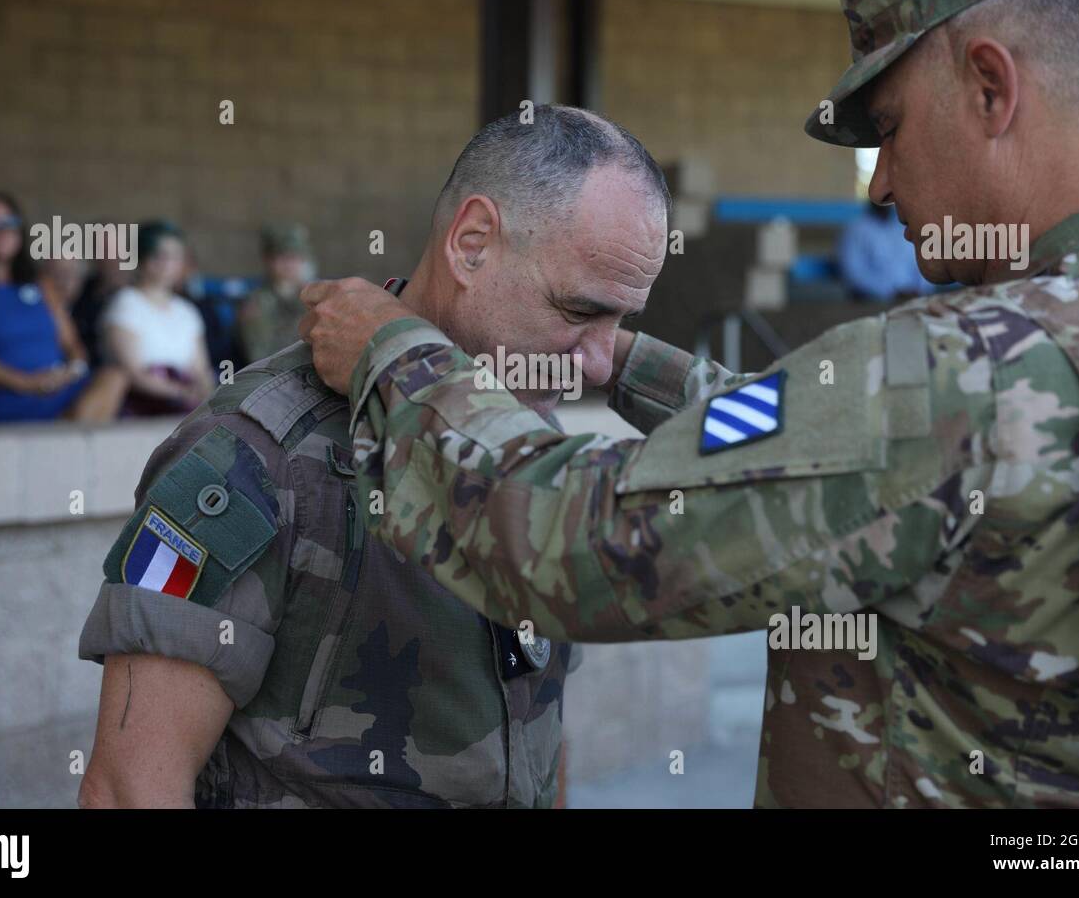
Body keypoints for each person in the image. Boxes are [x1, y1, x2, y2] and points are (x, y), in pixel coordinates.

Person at [301, 0, 1079, 808]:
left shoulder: (958, 370)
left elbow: (568, 542)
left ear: (990, 87)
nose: (879, 184)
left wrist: (396, 354)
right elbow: (853, 472)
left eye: (890, 128)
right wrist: (622, 361)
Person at [74, 104, 666, 807]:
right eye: (578, 312)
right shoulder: (257, 453)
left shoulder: (531, 448)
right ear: (472, 243)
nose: (600, 364)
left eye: (622, 322)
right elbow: (128, 788)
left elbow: (535, 727)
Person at [0, 192, 127, 425]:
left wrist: (71, 371)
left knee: (114, 377)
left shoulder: (41, 283)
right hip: (2, 397)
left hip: (59, 392)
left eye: (9, 223)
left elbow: (72, 344)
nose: (1, 231)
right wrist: (25, 382)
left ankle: (59, 440)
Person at [101, 221, 215, 416]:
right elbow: (133, 373)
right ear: (142, 258)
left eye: (176, 257)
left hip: (186, 405)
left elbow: (201, 369)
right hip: (141, 408)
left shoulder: (187, 311)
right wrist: (181, 393)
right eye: (160, 255)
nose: (168, 264)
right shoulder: (126, 303)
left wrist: (207, 395)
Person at [236, 222, 318, 365]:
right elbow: (259, 356)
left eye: (295, 257)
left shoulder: (314, 298)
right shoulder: (255, 303)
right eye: (282, 256)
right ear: (268, 260)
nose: (289, 263)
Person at [838, 199, 935, 301]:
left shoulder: (904, 226)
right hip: (874, 302)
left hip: (915, 299)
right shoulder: (857, 229)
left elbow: (924, 263)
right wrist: (890, 292)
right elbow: (854, 273)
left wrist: (920, 290)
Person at [71, 223, 132, 368]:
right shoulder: (81, 289)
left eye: (114, 248)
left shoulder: (138, 295)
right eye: (101, 249)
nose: (108, 256)